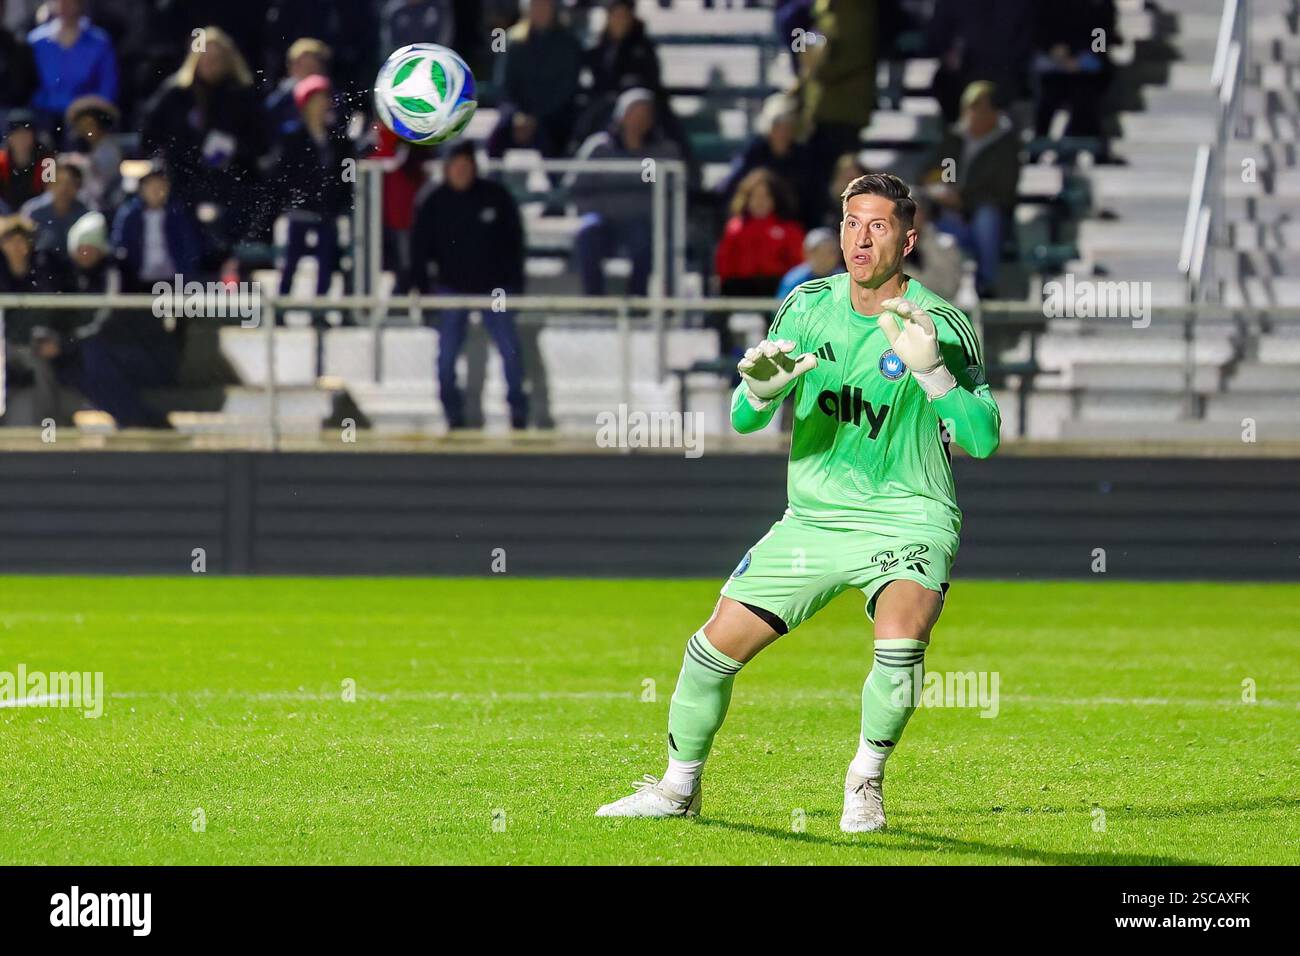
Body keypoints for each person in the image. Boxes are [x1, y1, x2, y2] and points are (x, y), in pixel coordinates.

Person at [595, 173, 1000, 829]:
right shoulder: (805, 306)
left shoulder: (942, 323)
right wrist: (756, 394)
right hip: (813, 518)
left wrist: (933, 372)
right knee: (708, 653)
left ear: (908, 237)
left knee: (900, 645)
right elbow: (744, 419)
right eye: (850, 223)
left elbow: (983, 439)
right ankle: (676, 790)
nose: (860, 238)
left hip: (910, 514)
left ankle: (865, 779)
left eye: (877, 225)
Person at [410, 140, 528, 429]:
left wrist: (514, 285)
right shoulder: (432, 201)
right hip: (452, 288)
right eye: (456, 165)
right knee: (447, 357)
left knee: (510, 350)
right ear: (446, 168)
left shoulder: (496, 196)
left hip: (495, 288)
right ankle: (453, 415)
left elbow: (515, 243)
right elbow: (418, 252)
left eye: (467, 165)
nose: (462, 171)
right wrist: (423, 293)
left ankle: (518, 412)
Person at [41, 210, 178, 428]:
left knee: (95, 359)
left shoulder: (113, 272)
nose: (85, 254)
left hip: (121, 350)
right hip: (81, 353)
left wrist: (64, 344)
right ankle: (141, 419)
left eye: (91, 248)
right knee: (79, 371)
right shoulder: (65, 274)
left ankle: (139, 420)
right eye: (80, 248)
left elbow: (103, 321)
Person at [140, 26, 267, 259]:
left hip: (232, 185)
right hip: (183, 183)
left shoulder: (243, 95)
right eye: (205, 57)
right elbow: (149, 136)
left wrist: (234, 148)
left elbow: (261, 143)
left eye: (217, 58)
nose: (211, 64)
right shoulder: (176, 94)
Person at [568, 87, 680, 296]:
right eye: (633, 114)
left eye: (645, 115)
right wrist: (604, 209)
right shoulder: (599, 148)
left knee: (646, 238)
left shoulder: (664, 151)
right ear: (620, 116)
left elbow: (674, 192)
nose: (639, 120)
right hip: (603, 221)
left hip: (642, 223)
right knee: (587, 232)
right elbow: (576, 188)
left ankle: (637, 300)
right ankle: (594, 302)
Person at [925, 81, 1020, 297]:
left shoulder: (1006, 145)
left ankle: (986, 283)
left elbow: (1003, 190)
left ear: (995, 112)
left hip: (987, 214)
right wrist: (939, 188)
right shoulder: (954, 139)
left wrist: (963, 199)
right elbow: (937, 171)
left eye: (982, 107)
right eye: (972, 106)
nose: (975, 113)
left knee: (987, 217)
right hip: (949, 213)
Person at [268, 74, 352, 308]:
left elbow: (345, 173)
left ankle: (321, 307)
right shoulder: (292, 136)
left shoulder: (337, 137)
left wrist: (341, 199)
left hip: (327, 209)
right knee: (291, 261)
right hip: (301, 209)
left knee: (326, 262)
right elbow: (283, 172)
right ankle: (282, 305)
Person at [712, 168, 805, 352]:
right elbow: (724, 264)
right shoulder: (735, 229)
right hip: (739, 289)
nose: (760, 202)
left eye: (765, 196)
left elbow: (797, 267)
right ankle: (728, 357)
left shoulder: (789, 230)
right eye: (755, 196)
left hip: (775, 289)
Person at [488, 0, 582, 157]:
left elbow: (567, 88)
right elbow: (503, 85)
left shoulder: (569, 43)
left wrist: (536, 117)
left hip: (553, 115)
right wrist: (517, 114)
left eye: (545, 5)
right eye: (536, 5)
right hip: (517, 115)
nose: (540, 9)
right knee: (498, 136)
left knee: (553, 135)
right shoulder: (512, 40)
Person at [717, 94, 816, 228]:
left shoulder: (803, 158)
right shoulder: (754, 153)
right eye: (778, 126)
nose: (782, 132)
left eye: (787, 126)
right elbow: (732, 187)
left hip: (793, 227)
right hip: (751, 226)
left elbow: (811, 199)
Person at [110, 162, 202, 292]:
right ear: (142, 189)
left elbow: (190, 245)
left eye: (161, 186)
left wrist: (186, 271)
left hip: (174, 281)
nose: (156, 191)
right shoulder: (129, 214)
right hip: (138, 281)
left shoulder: (177, 214)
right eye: (151, 186)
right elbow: (119, 244)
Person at [26, 0, 119, 126]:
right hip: (44, 118)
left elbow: (108, 88)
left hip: (88, 117)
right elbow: (28, 89)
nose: (63, 5)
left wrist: (84, 106)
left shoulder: (99, 41)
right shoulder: (36, 42)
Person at [19, 153, 87, 255]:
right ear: (49, 184)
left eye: (69, 183)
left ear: (78, 186)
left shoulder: (85, 215)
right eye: (58, 182)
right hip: (38, 266)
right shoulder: (32, 211)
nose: (63, 189)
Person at [264, 38, 333, 138]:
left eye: (311, 64)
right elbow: (268, 115)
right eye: (302, 64)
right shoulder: (286, 91)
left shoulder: (329, 88)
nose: (307, 68)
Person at [64, 94, 121, 210]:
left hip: (106, 204)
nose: (86, 129)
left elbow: (105, 184)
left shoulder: (110, 150)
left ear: (100, 124)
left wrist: (85, 165)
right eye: (82, 124)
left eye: (90, 124)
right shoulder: (79, 147)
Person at [776, 226, 845, 300]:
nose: (825, 258)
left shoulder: (845, 278)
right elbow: (780, 307)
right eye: (819, 252)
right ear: (807, 253)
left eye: (830, 252)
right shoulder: (794, 280)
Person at [0, 109, 49, 212]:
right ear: (9, 137)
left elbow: (50, 196)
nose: (21, 139)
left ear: (34, 137)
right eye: (16, 134)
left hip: (38, 214)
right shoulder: (1, 161)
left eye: (26, 134)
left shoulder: (48, 162)